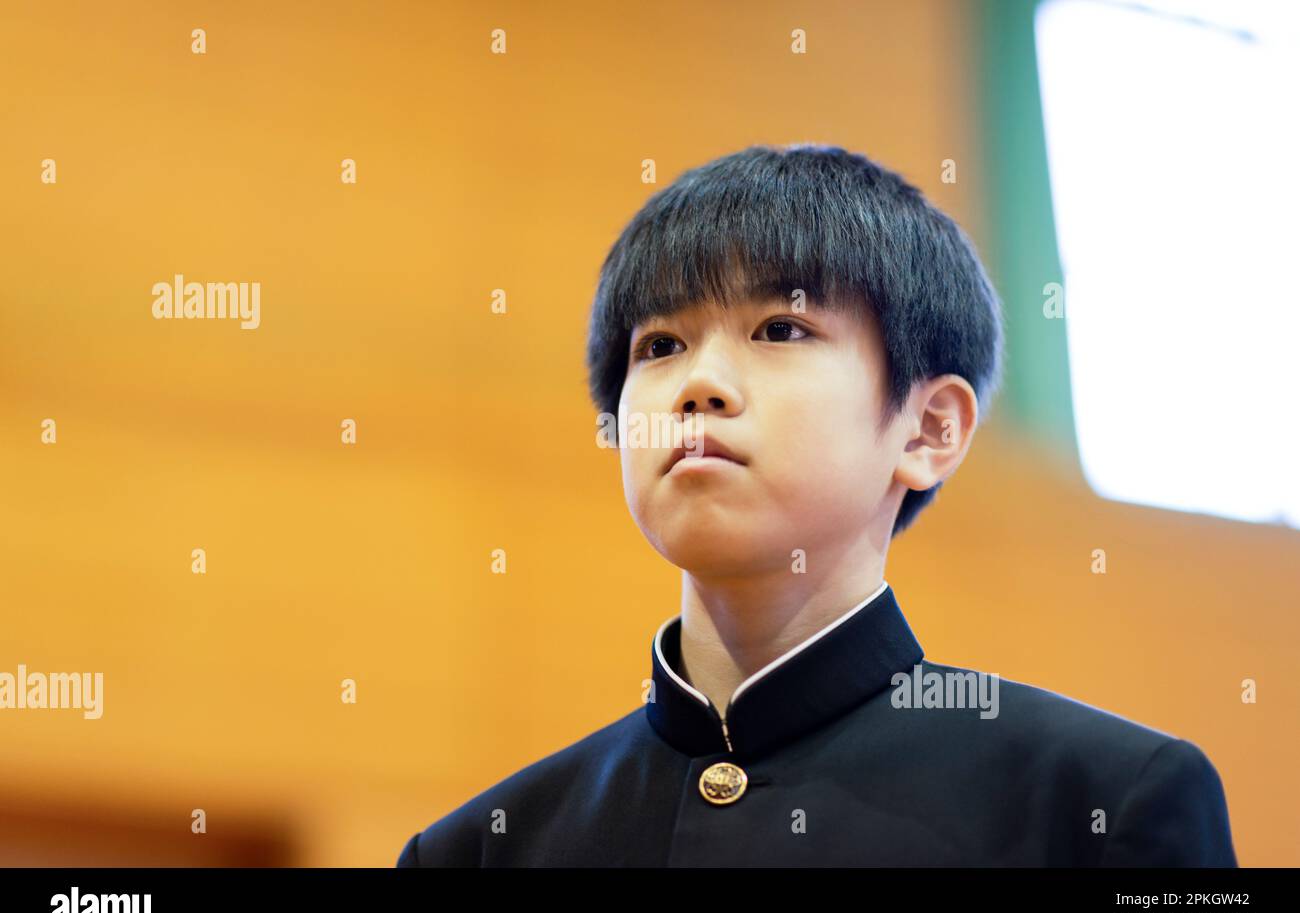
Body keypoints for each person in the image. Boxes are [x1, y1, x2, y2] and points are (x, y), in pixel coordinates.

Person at [397, 144, 1236, 866]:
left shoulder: (1108, 803)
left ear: (929, 429)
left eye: (779, 330)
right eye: (660, 345)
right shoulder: (478, 851)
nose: (700, 385)